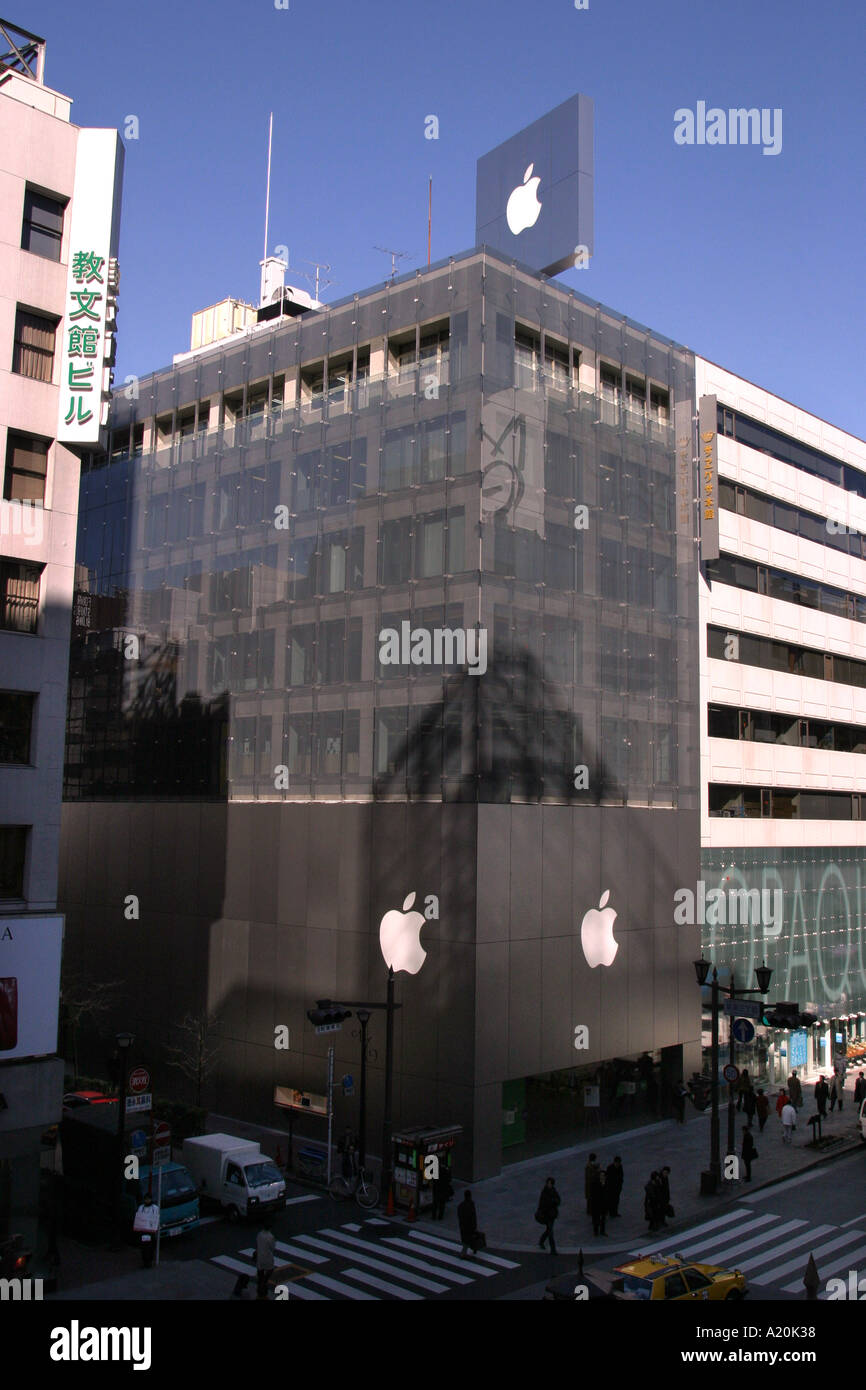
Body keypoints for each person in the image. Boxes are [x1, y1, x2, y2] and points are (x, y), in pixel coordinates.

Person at [536, 1177, 560, 1255]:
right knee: (550, 1232)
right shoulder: (544, 1192)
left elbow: (558, 1200)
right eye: (548, 1183)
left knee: (549, 1230)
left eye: (550, 1183)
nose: (549, 1184)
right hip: (547, 1214)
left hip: (552, 1214)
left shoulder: (554, 1191)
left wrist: (554, 1201)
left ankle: (541, 1241)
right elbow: (542, 1203)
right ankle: (553, 1249)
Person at [256, 1224, 275, 1299]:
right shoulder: (270, 1237)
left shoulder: (259, 1234)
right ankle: (264, 1282)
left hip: (260, 1255)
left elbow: (257, 1244)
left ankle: (260, 1283)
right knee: (270, 1269)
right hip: (267, 1256)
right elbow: (272, 1247)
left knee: (260, 1270)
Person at [457, 1190, 478, 1258]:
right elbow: (473, 1216)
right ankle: (463, 1253)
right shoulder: (471, 1204)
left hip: (463, 1225)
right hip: (469, 1226)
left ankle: (464, 1252)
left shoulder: (461, 1205)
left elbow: (459, 1215)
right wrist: (474, 1225)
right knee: (468, 1240)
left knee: (465, 1239)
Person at [589, 1170, 608, 1237]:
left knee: (603, 1218)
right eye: (601, 1176)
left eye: (604, 1176)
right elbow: (592, 1194)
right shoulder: (594, 1183)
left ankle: (602, 1231)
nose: (602, 1177)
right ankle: (595, 1231)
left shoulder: (606, 1183)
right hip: (596, 1204)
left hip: (603, 1204)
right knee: (596, 1219)